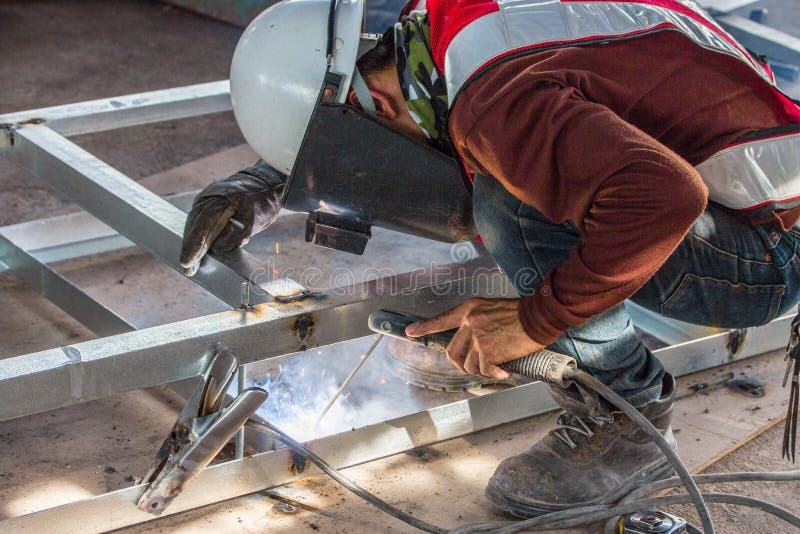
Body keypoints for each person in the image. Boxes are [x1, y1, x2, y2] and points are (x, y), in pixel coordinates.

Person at [180, 0, 800, 518]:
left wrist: (537, 320)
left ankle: (627, 420)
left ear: (375, 104)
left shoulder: (491, 102)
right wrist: (274, 177)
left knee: (502, 201)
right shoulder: (440, 27)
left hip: (769, 248)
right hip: (749, 179)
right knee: (493, 167)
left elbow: (665, 199)